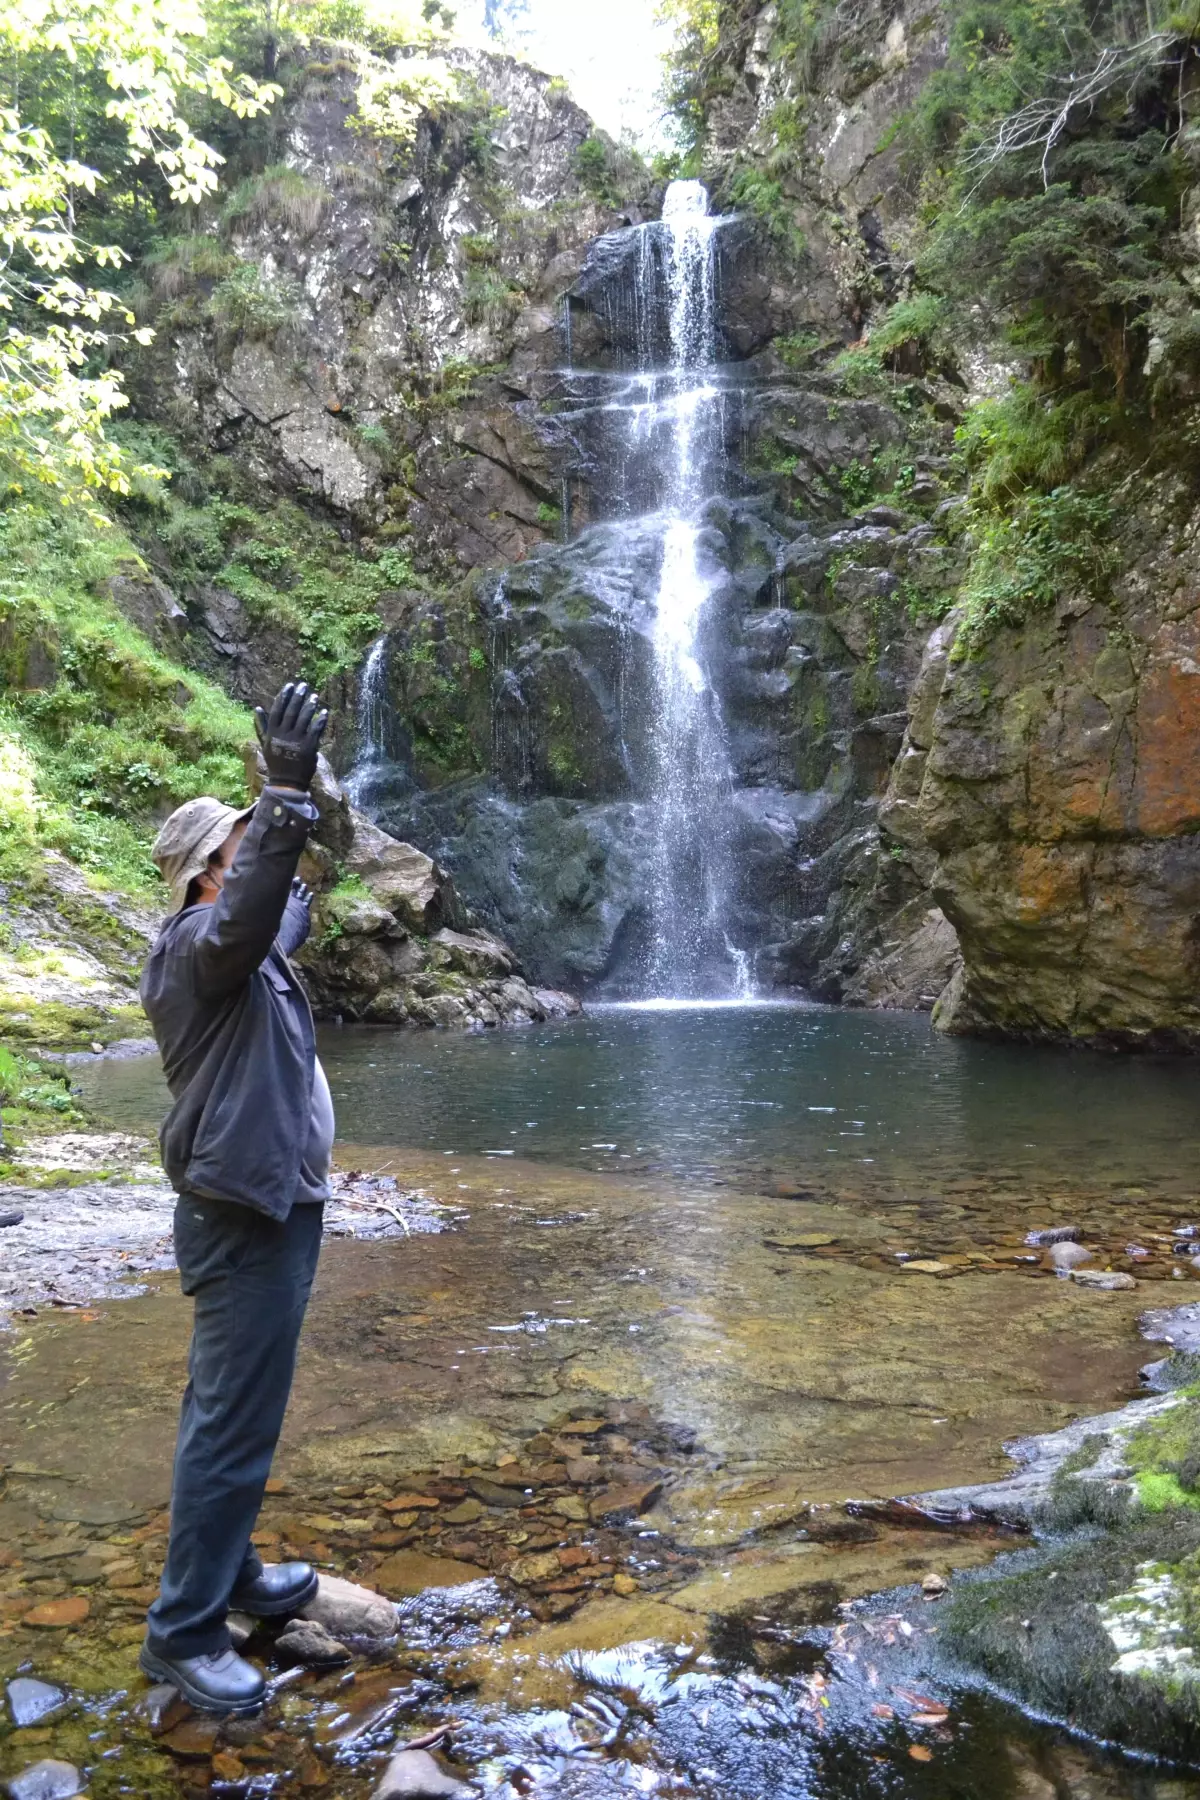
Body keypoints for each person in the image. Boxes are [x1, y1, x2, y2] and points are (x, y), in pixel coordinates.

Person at [137, 679, 337, 1715]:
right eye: (243, 845)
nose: (260, 853)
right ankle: (183, 1633)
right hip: (245, 1214)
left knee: (234, 1413)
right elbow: (239, 930)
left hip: (269, 1205)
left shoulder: (236, 954)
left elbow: (261, 933)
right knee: (228, 1420)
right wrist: (287, 792)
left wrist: (286, 907)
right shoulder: (191, 947)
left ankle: (231, 1566)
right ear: (206, 875)